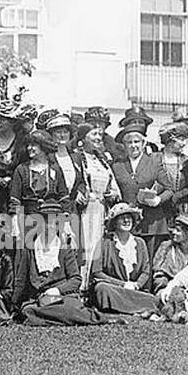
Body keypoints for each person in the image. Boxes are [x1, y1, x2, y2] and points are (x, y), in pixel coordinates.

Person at [14, 198, 108, 325]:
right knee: (28, 310)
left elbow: (76, 279)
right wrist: (13, 304)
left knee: (69, 308)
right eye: (46, 222)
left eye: (54, 223)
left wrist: (57, 290)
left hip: (63, 297)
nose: (50, 227)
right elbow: (21, 280)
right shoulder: (29, 249)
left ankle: (53, 317)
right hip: (39, 298)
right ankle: (61, 317)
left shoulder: (65, 249)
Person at [134, 119, 188, 262]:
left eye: (185, 139)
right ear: (169, 141)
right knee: (156, 249)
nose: (184, 143)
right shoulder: (153, 158)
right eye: (180, 139)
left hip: (181, 210)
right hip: (157, 212)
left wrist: (178, 195)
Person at [73, 121, 120, 290]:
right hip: (85, 211)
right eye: (94, 134)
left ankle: (94, 286)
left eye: (100, 135)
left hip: (101, 209)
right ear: (83, 138)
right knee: (84, 246)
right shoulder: (77, 158)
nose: (98, 138)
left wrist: (112, 193)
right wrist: (79, 193)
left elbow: (113, 185)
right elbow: (74, 182)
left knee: (98, 246)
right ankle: (80, 286)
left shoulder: (103, 160)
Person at [88, 203, 157, 316]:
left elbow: (145, 271)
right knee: (102, 289)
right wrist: (123, 284)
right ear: (114, 222)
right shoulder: (103, 243)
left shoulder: (140, 243)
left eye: (129, 217)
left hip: (134, 290)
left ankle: (120, 306)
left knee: (152, 299)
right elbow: (97, 272)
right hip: (113, 288)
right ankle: (134, 307)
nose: (126, 221)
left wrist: (136, 285)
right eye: (122, 218)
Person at [150, 212, 188, 295]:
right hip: (168, 290)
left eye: (178, 230)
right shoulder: (166, 248)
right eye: (174, 229)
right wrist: (163, 289)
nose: (173, 232)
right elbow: (159, 274)